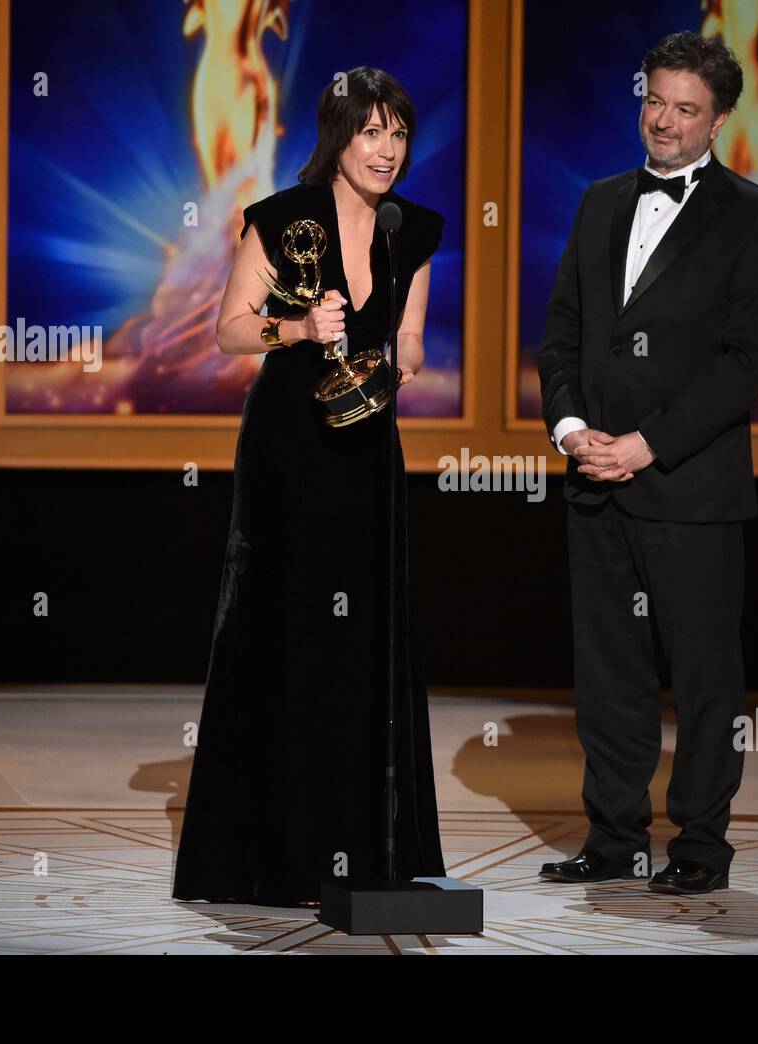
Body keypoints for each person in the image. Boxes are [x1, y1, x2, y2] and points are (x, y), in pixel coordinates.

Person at [172, 67, 447, 908]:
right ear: (339, 138)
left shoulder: (413, 230)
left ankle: (365, 843)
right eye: (370, 132)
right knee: (288, 623)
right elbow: (227, 331)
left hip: (367, 446)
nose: (387, 149)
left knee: (367, 632)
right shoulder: (284, 219)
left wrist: (394, 360)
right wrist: (297, 327)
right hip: (291, 446)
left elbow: (413, 344)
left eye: (398, 133)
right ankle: (275, 848)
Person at [536, 32, 758, 894]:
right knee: (608, 677)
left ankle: (699, 849)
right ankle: (612, 840)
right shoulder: (599, 200)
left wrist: (646, 445)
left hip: (691, 489)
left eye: (686, 109)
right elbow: (564, 330)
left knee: (704, 679)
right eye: (655, 101)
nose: (664, 121)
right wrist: (573, 429)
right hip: (594, 481)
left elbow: (745, 363)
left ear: (719, 120)